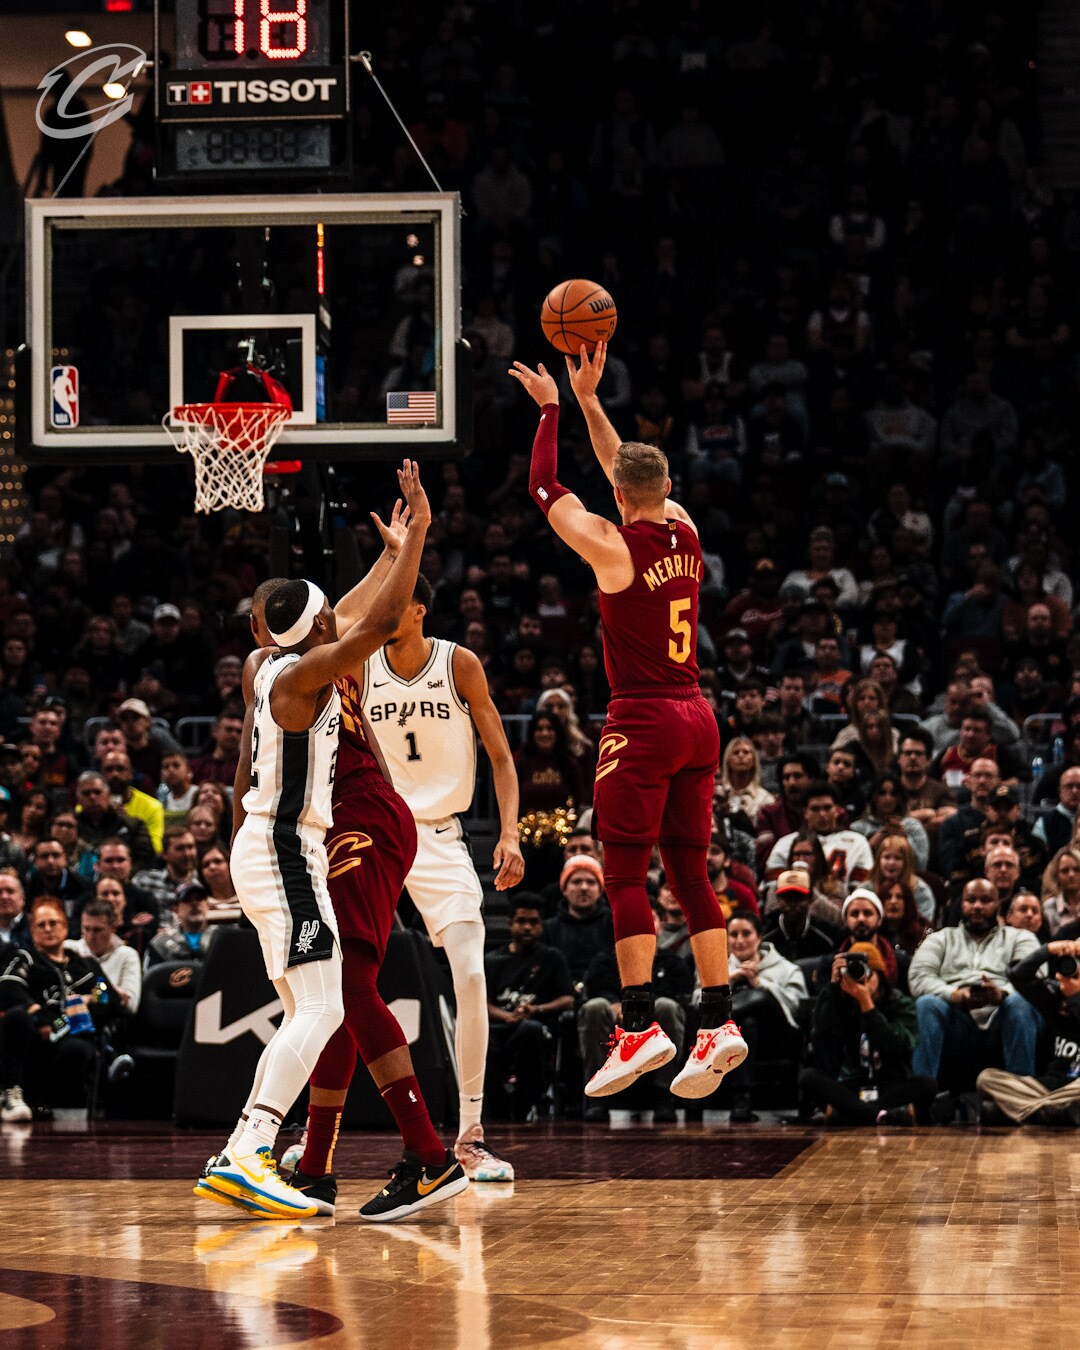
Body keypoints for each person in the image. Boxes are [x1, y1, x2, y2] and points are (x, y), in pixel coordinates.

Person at [511, 344, 746, 1102]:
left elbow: (546, 484)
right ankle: (717, 1021)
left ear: (617, 494)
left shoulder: (613, 550)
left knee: (623, 875)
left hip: (642, 719)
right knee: (690, 874)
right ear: (668, 487)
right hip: (699, 718)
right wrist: (591, 401)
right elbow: (628, 471)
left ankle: (640, 1023)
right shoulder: (685, 528)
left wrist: (552, 409)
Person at [237, 469, 469, 1223]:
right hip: (348, 821)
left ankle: (430, 1157)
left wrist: (399, 552)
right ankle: (317, 1163)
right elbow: (360, 616)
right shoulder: (295, 666)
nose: (334, 618)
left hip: (363, 814)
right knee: (336, 994)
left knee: (348, 993)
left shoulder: (300, 655)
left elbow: (358, 611)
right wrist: (407, 551)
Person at [360, 570, 525, 1182]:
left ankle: (472, 1136)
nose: (382, 614)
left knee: (473, 972)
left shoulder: (459, 665)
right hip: (377, 830)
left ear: (422, 610)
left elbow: (503, 760)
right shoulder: (359, 664)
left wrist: (508, 834)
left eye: (395, 604)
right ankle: (306, 1134)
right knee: (336, 982)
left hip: (440, 834)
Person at [908, 878, 1042, 1095]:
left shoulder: (1020, 938)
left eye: (985, 900)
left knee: (1019, 1002)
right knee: (927, 1004)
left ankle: (1021, 1096)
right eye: (971, 900)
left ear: (998, 905)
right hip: (957, 1020)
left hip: (1003, 1017)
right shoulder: (940, 939)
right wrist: (954, 994)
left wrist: (1003, 994)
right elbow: (918, 977)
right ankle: (921, 1096)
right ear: (962, 904)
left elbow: (1035, 977)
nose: (977, 906)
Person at [798, 942, 937, 1126]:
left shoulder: (900, 1003)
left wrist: (867, 1006)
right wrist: (832, 988)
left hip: (889, 1084)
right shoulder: (840, 1001)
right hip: (851, 1084)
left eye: (866, 973)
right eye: (853, 973)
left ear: (879, 976)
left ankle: (850, 1114)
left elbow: (899, 1044)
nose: (860, 979)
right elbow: (820, 1037)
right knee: (807, 1077)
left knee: (927, 1085)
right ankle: (882, 1115)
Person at [0, 897, 103, 1123]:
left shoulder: (85, 965)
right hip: (35, 1030)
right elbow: (8, 985)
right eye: (41, 925)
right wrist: (38, 1014)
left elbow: (105, 992)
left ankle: (48, 1104)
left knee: (79, 1049)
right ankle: (11, 1094)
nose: (48, 929)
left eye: (53, 923)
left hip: (70, 1028)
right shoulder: (24, 957)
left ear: (65, 926)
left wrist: (91, 999)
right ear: (32, 931)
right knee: (17, 1016)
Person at [485, 894, 575, 1121]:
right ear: (509, 924)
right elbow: (481, 1003)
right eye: (521, 921)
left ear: (542, 926)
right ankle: (498, 1110)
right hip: (500, 1027)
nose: (527, 927)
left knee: (530, 1030)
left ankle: (526, 1103)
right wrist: (507, 1017)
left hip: (539, 1026)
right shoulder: (492, 960)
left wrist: (537, 1009)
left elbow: (568, 999)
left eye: (533, 922)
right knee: (483, 1042)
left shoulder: (552, 958)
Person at [976, 936, 1080, 1125]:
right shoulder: (1058, 995)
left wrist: (1076, 998)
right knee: (986, 1078)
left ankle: (1018, 1111)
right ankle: (1051, 1112)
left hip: (1077, 1088)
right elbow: (1017, 975)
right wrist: (1048, 950)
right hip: (1047, 1087)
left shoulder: (1070, 995)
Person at [725, 909, 807, 1123]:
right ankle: (742, 1097)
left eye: (746, 933)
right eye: (733, 935)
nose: (740, 940)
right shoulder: (718, 970)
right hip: (737, 1037)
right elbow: (697, 999)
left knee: (760, 997)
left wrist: (759, 984)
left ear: (759, 937)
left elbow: (797, 1006)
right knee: (748, 1024)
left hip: (777, 1037)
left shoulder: (787, 969)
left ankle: (741, 1098)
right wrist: (729, 980)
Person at [70, 899, 141, 1013]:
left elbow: (130, 1006)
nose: (90, 936)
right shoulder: (70, 949)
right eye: (86, 929)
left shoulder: (127, 955)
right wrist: (111, 992)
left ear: (113, 928)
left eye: (97, 930)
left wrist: (88, 998)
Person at [761, 869, 842, 961]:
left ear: (810, 898)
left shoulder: (829, 935)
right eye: (787, 897)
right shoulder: (764, 933)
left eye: (798, 897)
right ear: (778, 899)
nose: (792, 903)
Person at [100, 749, 165, 856]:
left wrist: (127, 821)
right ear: (101, 774)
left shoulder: (152, 806)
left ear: (131, 773)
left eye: (120, 769)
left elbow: (155, 849)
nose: (115, 774)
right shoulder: (90, 805)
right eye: (109, 769)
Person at [146, 881, 216, 966]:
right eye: (187, 900)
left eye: (199, 898)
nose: (194, 904)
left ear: (208, 906)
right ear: (175, 909)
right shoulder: (160, 944)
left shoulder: (222, 938)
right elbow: (152, 977)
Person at [718, 736, 775, 827]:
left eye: (746, 752)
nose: (741, 756)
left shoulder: (765, 799)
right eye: (736, 753)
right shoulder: (717, 793)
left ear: (754, 760)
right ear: (728, 760)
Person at [198, 842, 241, 925]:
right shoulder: (201, 906)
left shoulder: (247, 900)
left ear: (230, 865)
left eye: (218, 861)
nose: (212, 867)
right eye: (206, 865)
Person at [1041, 846, 1080, 935]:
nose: (1071, 874)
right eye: (1065, 870)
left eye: (1077, 869)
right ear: (1057, 876)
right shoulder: (1048, 909)